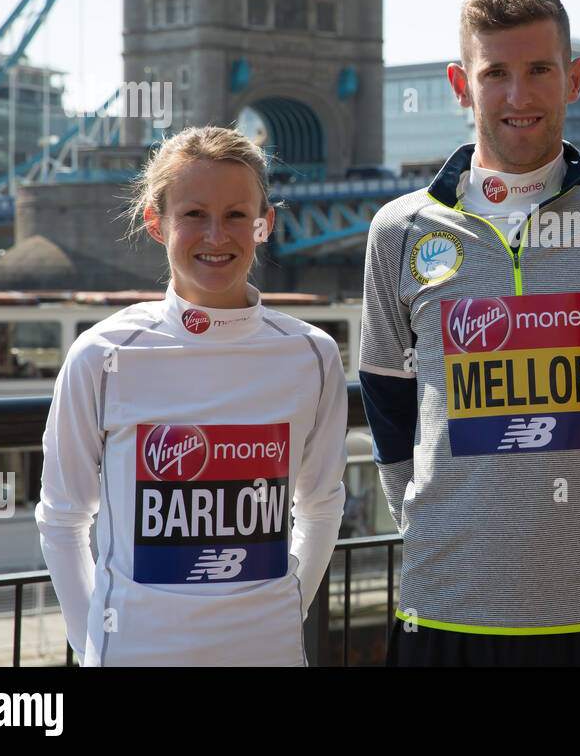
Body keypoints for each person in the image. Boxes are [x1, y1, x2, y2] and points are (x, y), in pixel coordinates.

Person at [359, 0, 580, 666]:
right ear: (462, 85)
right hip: (443, 606)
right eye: (496, 74)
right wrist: (431, 524)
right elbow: (387, 409)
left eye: (539, 70)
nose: (519, 96)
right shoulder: (397, 230)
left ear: (572, 79)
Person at [35, 126, 347, 666]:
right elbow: (63, 519)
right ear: (157, 223)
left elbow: (320, 507)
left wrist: (282, 611)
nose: (216, 235)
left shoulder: (313, 355)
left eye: (235, 215)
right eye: (194, 214)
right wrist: (93, 645)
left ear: (264, 224)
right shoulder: (101, 355)